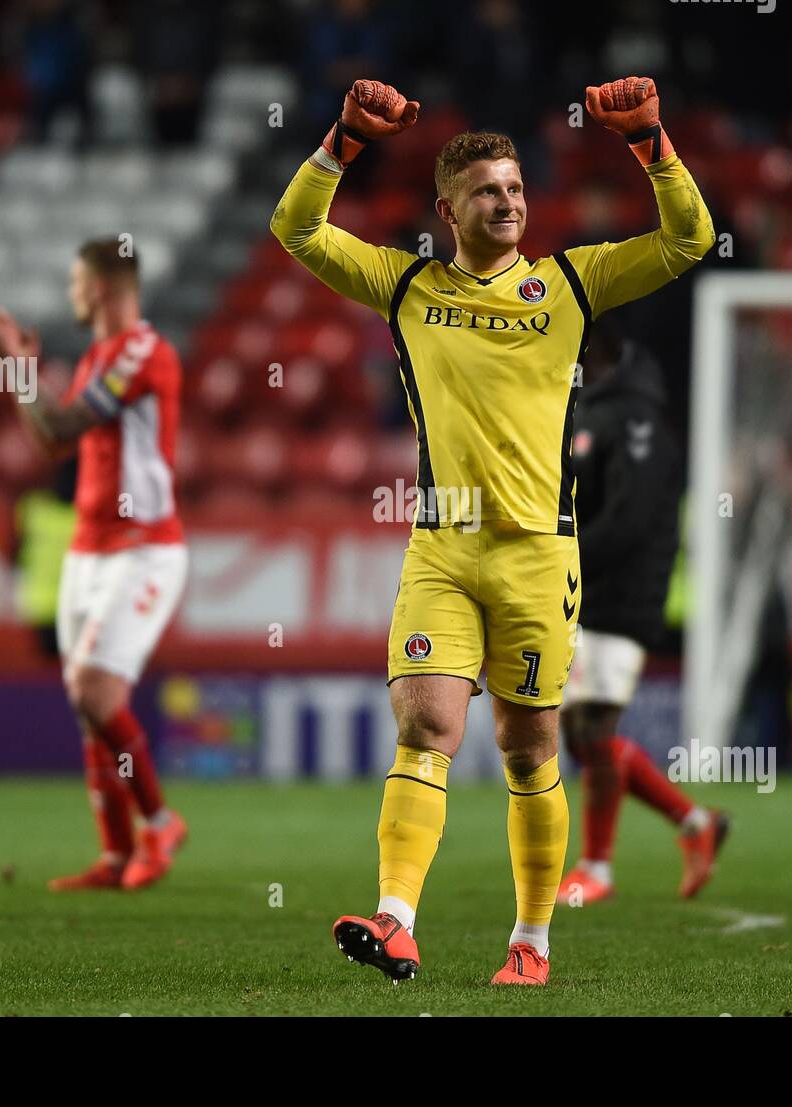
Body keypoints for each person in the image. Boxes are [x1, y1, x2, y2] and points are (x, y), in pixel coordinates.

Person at [271, 76, 714, 984]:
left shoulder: (572, 285)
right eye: (488, 191)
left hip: (539, 552)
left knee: (527, 747)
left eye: (515, 188)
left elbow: (689, 238)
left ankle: (533, 940)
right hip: (442, 543)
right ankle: (397, 918)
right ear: (448, 208)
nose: (507, 201)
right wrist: (343, 142)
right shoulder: (407, 287)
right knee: (426, 723)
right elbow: (296, 229)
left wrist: (651, 143)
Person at [0, 238, 188, 892]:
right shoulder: (97, 356)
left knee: (95, 690)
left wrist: (18, 363)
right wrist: (18, 370)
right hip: (87, 550)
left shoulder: (144, 352)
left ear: (100, 287)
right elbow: (48, 440)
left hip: (143, 546)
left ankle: (161, 820)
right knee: (88, 707)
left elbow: (61, 426)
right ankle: (117, 855)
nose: (69, 293)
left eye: (74, 281)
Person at [557, 315, 728, 907]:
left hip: (622, 594)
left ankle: (597, 868)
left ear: (597, 353)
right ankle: (694, 822)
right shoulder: (597, 414)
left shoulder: (638, 422)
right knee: (580, 735)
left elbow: (630, 522)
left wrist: (564, 556)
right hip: (589, 592)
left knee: (593, 728)